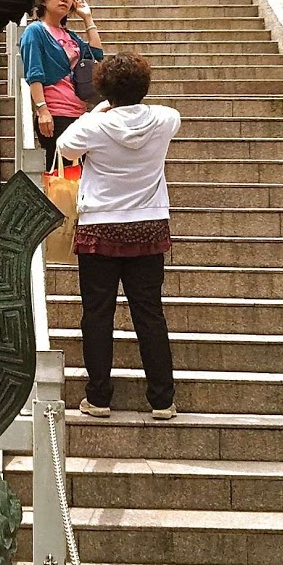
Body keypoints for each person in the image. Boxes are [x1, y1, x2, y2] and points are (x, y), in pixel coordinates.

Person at [56, 52, 180, 421]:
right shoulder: (165, 119)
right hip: (148, 223)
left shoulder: (93, 126)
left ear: (104, 91)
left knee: (97, 313)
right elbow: (168, 117)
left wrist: (98, 111)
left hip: (100, 224)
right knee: (149, 313)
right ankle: (162, 399)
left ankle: (98, 396)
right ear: (144, 87)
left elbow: (65, 147)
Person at [19, 0, 104, 167]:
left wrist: (87, 18)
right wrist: (42, 110)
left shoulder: (70, 36)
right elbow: (34, 73)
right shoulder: (36, 31)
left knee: (78, 177)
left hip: (79, 113)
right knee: (61, 177)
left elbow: (97, 55)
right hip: (55, 113)